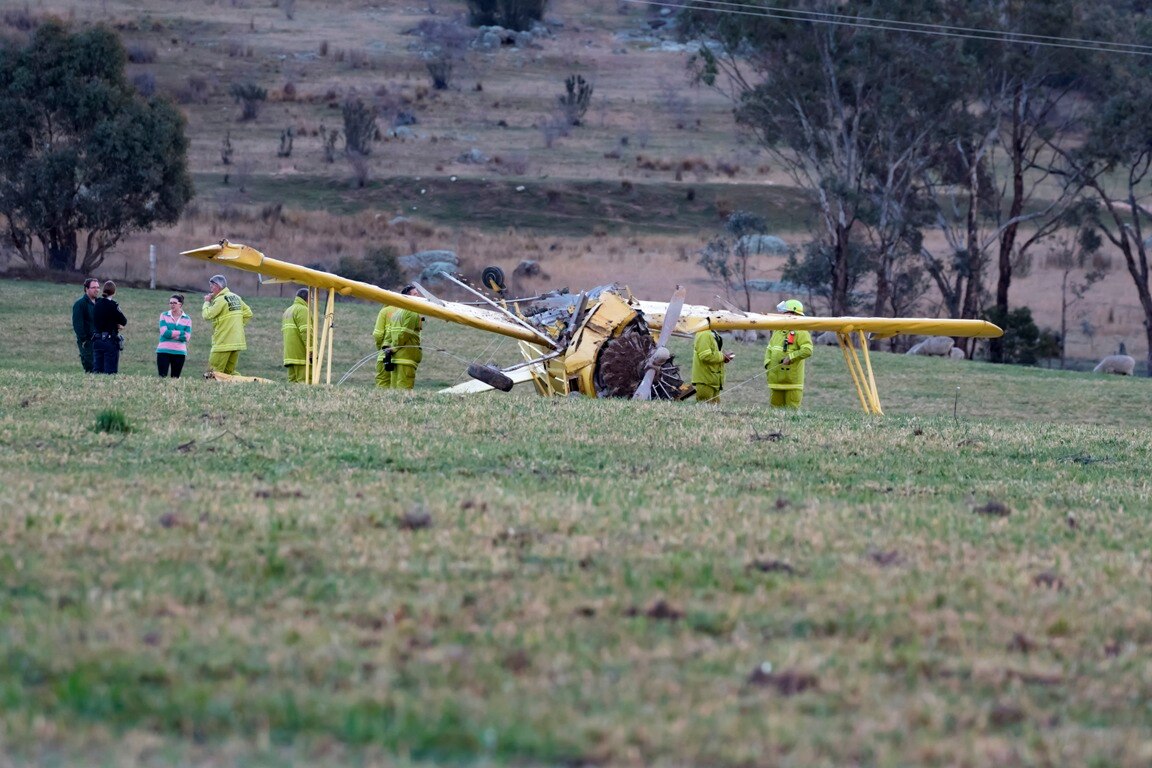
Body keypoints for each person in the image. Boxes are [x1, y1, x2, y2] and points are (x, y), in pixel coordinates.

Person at [764, 298, 813, 409]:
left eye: (785, 312)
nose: (781, 315)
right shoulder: (777, 331)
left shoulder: (801, 331)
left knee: (791, 415)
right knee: (774, 414)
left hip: (792, 384)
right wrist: (768, 365)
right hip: (775, 382)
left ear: (793, 313)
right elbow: (769, 350)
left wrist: (791, 357)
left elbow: (807, 350)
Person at [202, 274, 252, 375]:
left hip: (223, 341)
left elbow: (207, 315)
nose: (211, 289)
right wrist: (238, 325)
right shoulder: (236, 297)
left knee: (212, 372)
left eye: (211, 287)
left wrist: (207, 302)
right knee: (229, 373)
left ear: (217, 286)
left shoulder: (220, 299)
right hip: (237, 341)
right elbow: (248, 313)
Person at [386, 284, 423, 390]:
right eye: (415, 294)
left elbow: (389, 333)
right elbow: (405, 334)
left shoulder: (396, 313)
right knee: (404, 389)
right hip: (406, 357)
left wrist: (390, 348)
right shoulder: (412, 312)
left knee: (394, 389)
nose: (419, 297)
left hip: (395, 358)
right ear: (408, 297)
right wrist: (394, 348)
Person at [691, 323, 733, 403]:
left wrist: (723, 358)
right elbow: (705, 356)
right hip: (705, 381)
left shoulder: (713, 333)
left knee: (715, 411)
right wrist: (723, 356)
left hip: (713, 380)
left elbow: (713, 354)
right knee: (704, 410)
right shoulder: (704, 334)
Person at [92, 280, 128, 374]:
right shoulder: (113, 305)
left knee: (97, 371)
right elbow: (124, 321)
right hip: (109, 341)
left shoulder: (97, 303)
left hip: (97, 340)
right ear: (114, 292)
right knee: (110, 372)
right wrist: (116, 325)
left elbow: (100, 320)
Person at [157, 293, 192, 378]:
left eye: (174, 303)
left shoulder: (187, 319)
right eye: (170, 303)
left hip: (179, 352)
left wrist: (171, 333)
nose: (172, 305)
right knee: (162, 378)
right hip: (163, 351)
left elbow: (187, 337)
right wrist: (181, 332)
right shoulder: (164, 315)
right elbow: (164, 333)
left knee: (175, 379)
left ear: (180, 304)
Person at [282, 287, 311, 383]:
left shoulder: (288, 311)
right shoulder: (303, 310)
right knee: (305, 383)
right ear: (307, 299)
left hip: (290, 355)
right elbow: (306, 332)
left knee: (292, 384)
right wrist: (311, 350)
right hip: (301, 355)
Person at [71, 277, 100, 372]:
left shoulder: (100, 304)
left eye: (98, 287)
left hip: (101, 341)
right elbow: (77, 324)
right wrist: (84, 339)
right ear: (86, 289)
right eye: (93, 287)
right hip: (88, 342)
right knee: (91, 368)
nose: (96, 290)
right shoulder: (80, 304)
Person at [372, 301, 401, 388]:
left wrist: (380, 348)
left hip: (385, 354)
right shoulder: (409, 312)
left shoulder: (385, 311)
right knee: (400, 386)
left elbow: (378, 334)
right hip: (403, 357)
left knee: (382, 383)